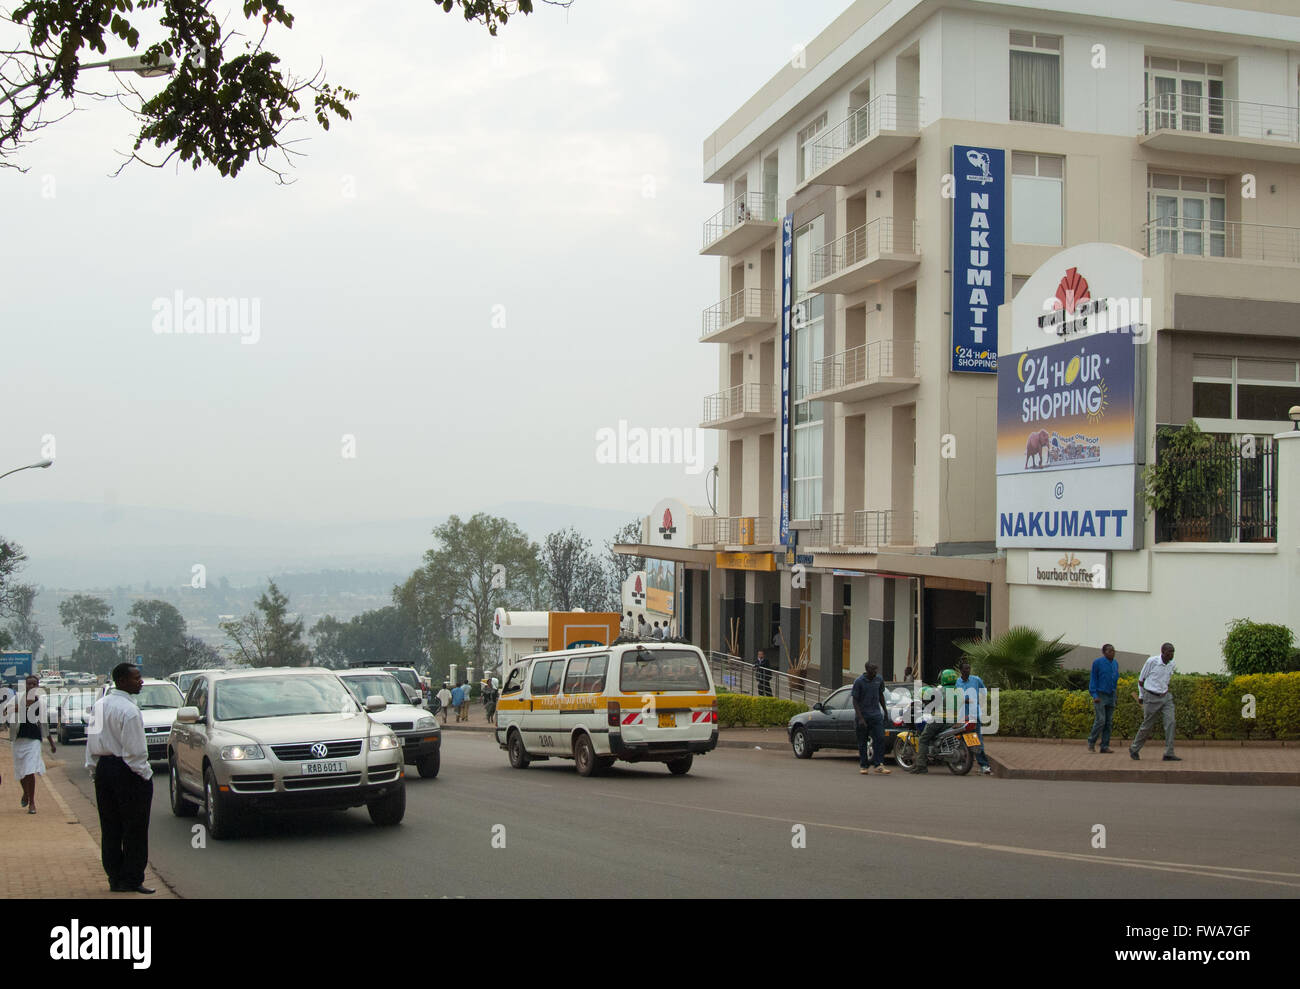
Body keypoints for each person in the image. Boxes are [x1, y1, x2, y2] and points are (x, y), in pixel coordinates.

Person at [85, 663, 155, 894]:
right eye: (136, 678)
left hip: (104, 769)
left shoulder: (99, 706)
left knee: (111, 826)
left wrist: (94, 769)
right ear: (122, 681)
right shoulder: (129, 711)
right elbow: (135, 752)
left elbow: (92, 743)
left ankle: (114, 877)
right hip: (127, 771)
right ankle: (132, 878)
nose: (140, 681)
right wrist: (145, 775)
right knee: (134, 828)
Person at [11, 674, 56, 813]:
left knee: (30, 770)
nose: (31, 686)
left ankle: (32, 803)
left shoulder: (40, 703)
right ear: (25, 685)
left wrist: (51, 743)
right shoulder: (17, 699)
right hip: (18, 740)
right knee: (21, 771)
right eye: (29, 684)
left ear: (38, 686)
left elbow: (44, 725)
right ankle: (25, 792)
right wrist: (15, 709)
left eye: (34, 684)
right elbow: (5, 712)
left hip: (34, 740)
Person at [906, 668, 960, 774]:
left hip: (940, 720)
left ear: (943, 679)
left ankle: (921, 766)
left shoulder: (939, 691)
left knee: (923, 738)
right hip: (954, 721)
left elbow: (927, 698)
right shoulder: (960, 690)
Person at [1130, 643, 1178, 761]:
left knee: (1171, 722)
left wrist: (1165, 691)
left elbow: (1166, 680)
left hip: (1166, 697)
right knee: (1147, 725)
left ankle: (1169, 753)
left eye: (1173, 652)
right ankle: (1134, 748)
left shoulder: (1172, 664)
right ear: (1162, 652)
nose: (1171, 655)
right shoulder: (1152, 661)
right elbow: (1141, 680)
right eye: (1169, 652)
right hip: (1151, 697)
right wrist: (1141, 695)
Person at [851, 661, 891, 775]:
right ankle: (864, 766)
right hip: (863, 716)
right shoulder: (859, 682)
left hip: (876, 715)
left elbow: (881, 695)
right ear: (867, 670)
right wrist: (861, 718)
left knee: (880, 738)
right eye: (873, 670)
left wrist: (885, 710)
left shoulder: (878, 679)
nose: (875, 672)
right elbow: (855, 701)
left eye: (876, 670)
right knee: (862, 742)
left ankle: (879, 764)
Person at [955, 661, 993, 775]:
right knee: (963, 740)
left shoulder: (976, 680)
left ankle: (984, 766)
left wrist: (977, 701)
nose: (968, 670)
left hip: (974, 715)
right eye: (965, 669)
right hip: (962, 716)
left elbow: (984, 692)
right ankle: (964, 763)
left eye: (969, 668)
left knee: (976, 740)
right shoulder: (958, 682)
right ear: (961, 670)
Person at [1087, 644, 1120, 753]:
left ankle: (1104, 745)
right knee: (1101, 720)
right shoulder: (1097, 663)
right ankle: (1091, 742)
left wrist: (1115, 695)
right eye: (1110, 651)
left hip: (1111, 694)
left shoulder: (1115, 663)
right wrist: (1094, 694)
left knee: (1108, 722)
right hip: (1100, 694)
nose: (1112, 652)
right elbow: (1093, 679)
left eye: (1113, 650)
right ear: (1104, 652)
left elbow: (1115, 679)